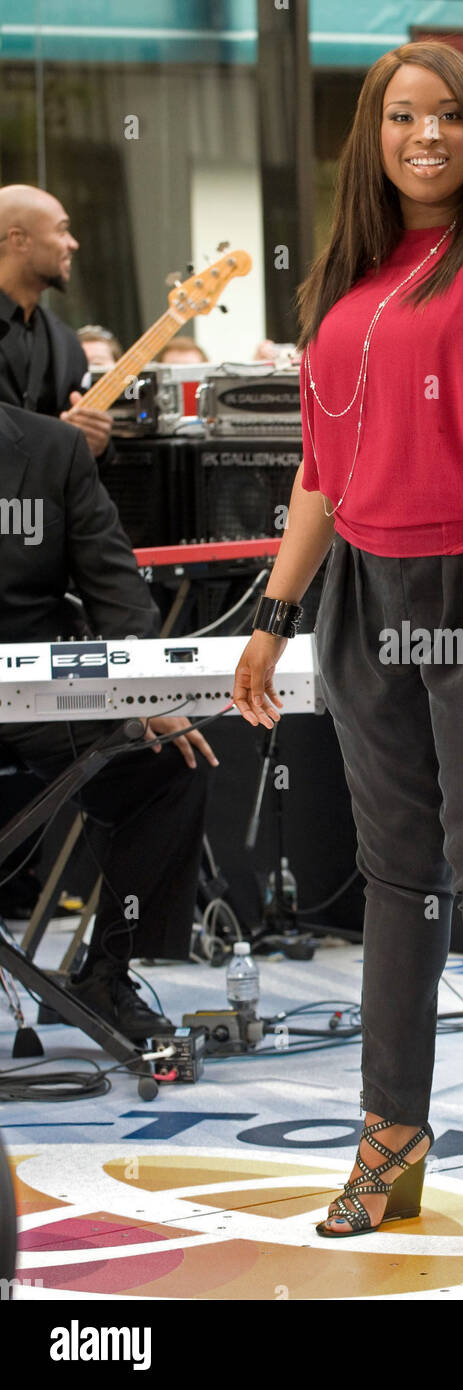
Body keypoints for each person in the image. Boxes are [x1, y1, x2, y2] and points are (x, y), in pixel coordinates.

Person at [233, 40, 463, 1260]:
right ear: (374, 136)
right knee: (397, 878)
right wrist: (274, 616)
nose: (426, 136)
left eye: (448, 115)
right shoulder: (346, 275)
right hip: (364, 591)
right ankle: (389, 1141)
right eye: (402, 117)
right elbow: (319, 469)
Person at [0, 372, 218, 1042]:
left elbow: (116, 588)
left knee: (168, 760)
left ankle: (105, 976)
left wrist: (144, 693)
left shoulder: (53, 448)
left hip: (36, 695)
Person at [0, 184, 114, 463]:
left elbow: (83, 466)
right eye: (62, 230)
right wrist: (55, 437)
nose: (73, 243)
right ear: (19, 240)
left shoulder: (66, 342)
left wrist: (97, 444)